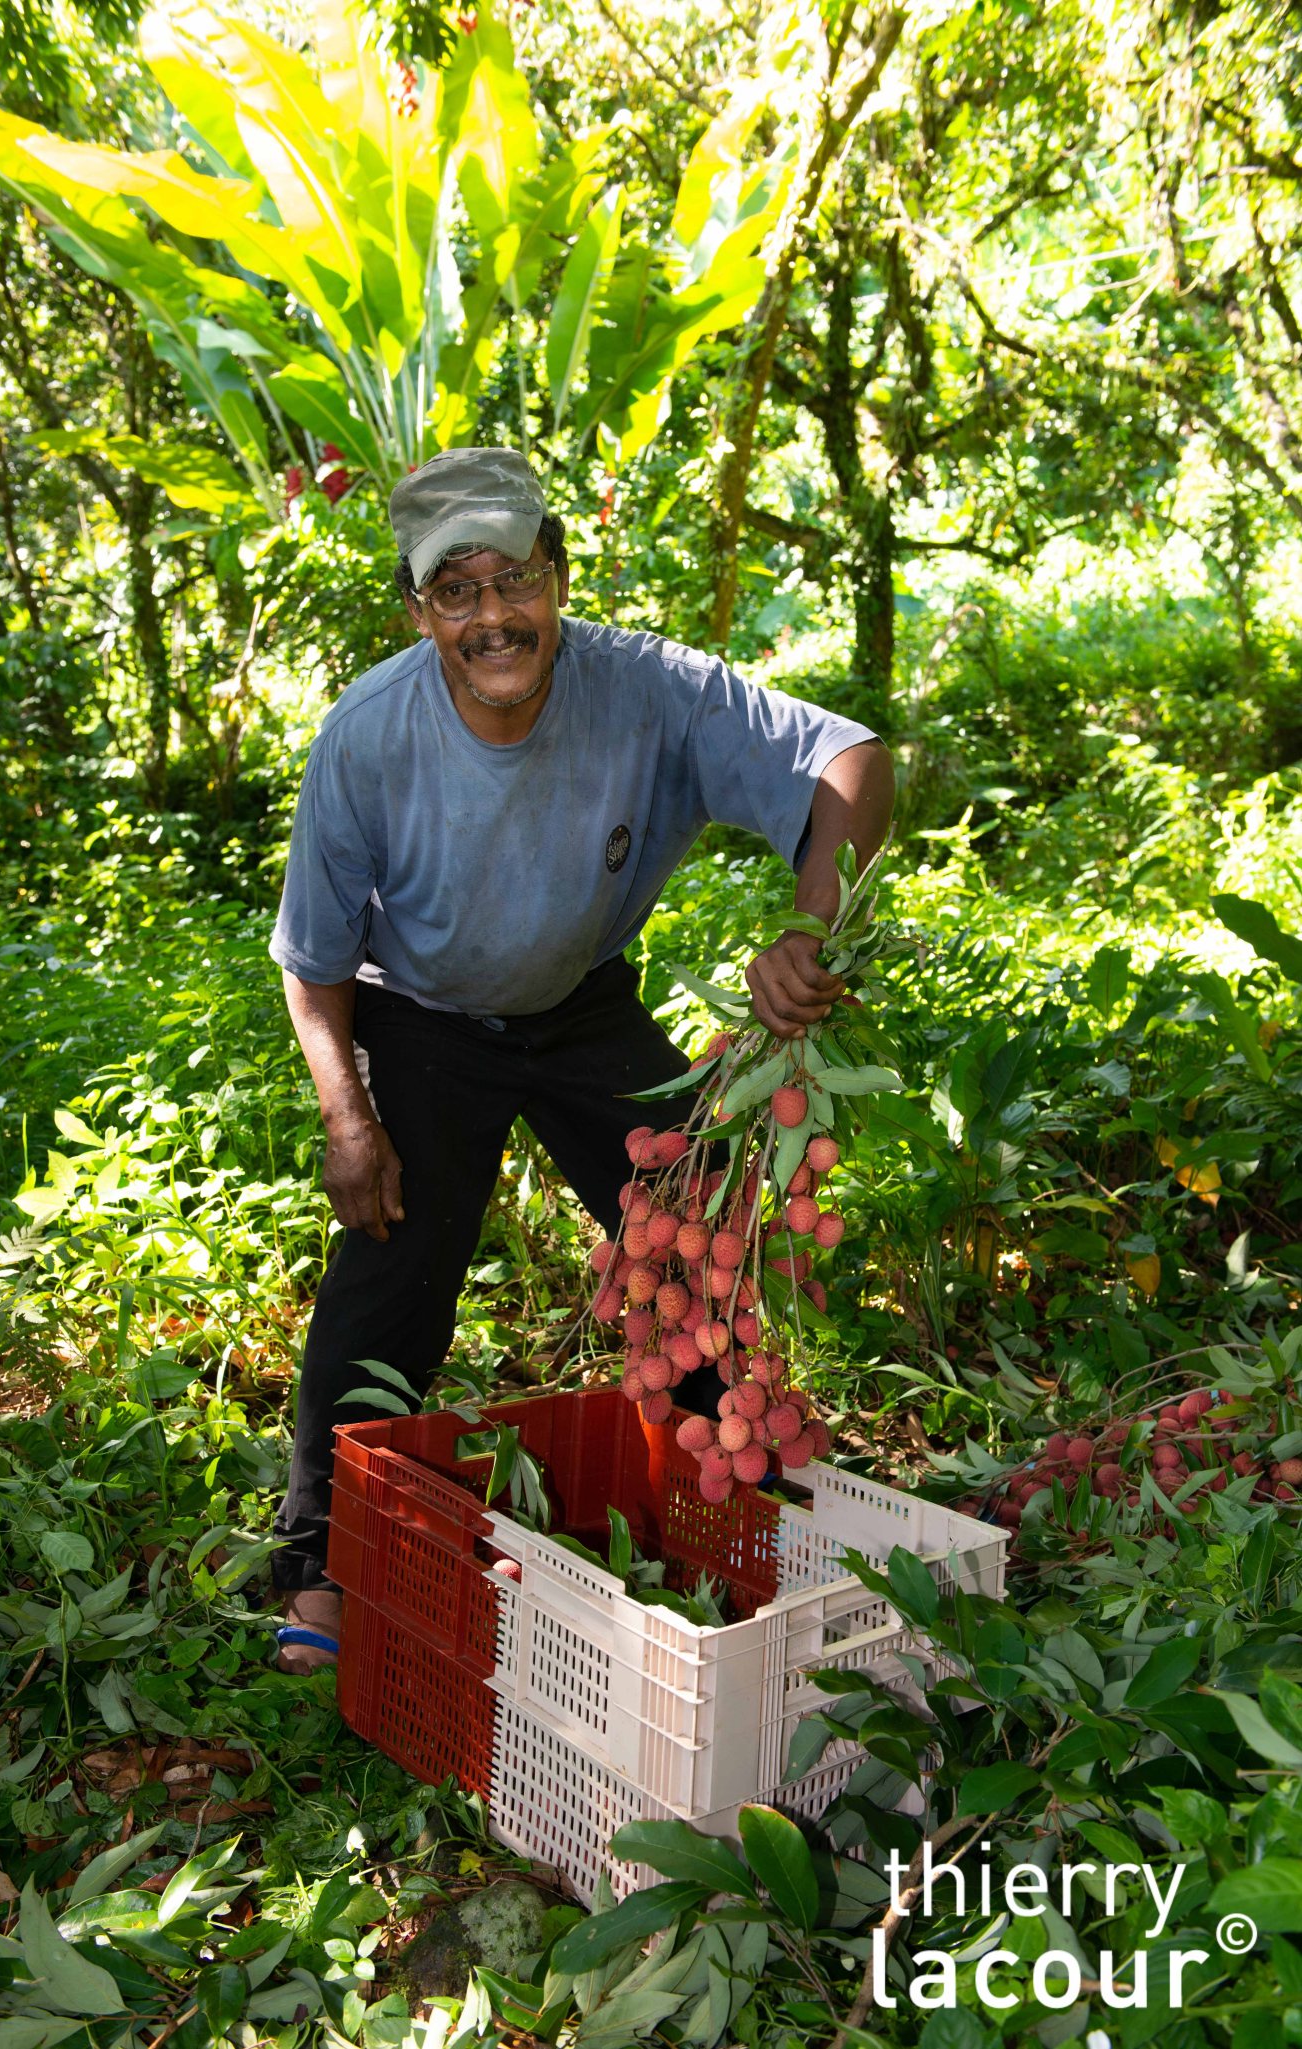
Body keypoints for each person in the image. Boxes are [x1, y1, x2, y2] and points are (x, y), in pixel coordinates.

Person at [268, 446, 894, 1671]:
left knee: (689, 1235)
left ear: (558, 578)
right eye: (458, 592)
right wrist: (352, 1118)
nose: (493, 616)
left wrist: (812, 929)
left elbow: (852, 762)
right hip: (425, 1018)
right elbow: (313, 958)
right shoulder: (369, 736)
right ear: (419, 609)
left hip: (582, 1007)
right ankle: (320, 1564)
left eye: (516, 581)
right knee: (394, 1273)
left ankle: (741, 1494)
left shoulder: (643, 686)